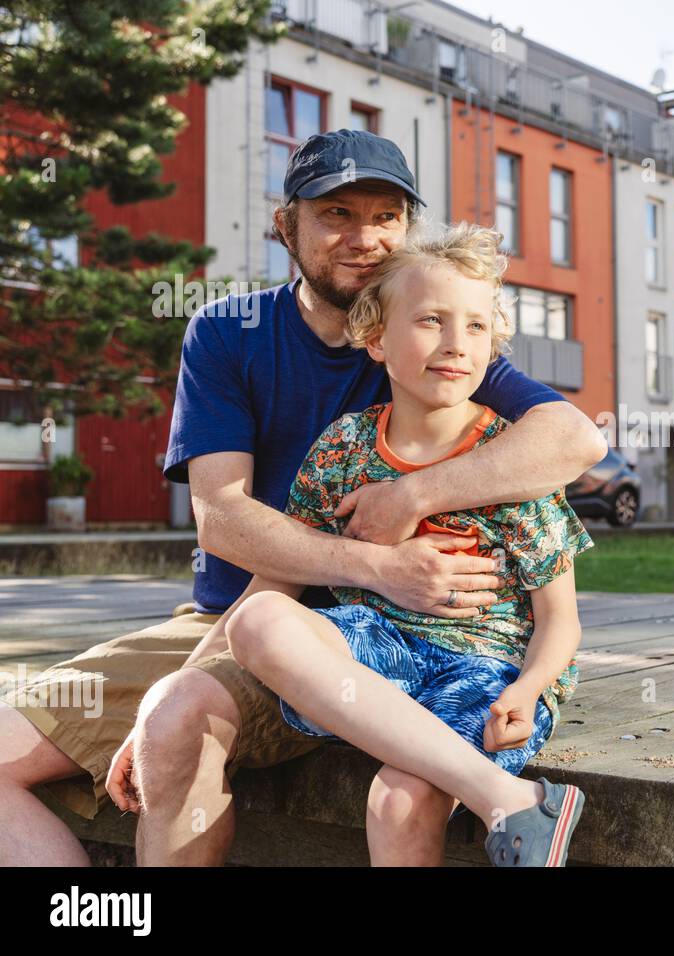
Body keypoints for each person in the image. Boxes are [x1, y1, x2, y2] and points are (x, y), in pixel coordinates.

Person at [0, 129, 606, 866]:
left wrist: (412, 493)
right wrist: (375, 563)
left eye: (387, 216)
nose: (366, 238)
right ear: (286, 226)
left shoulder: (437, 339)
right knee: (148, 718)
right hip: (243, 621)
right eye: (337, 214)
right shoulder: (231, 332)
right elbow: (224, 520)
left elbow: (576, 441)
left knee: (376, 779)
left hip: (410, 640)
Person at [206, 220, 591, 865]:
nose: (454, 344)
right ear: (375, 339)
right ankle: (511, 799)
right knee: (260, 619)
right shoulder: (343, 448)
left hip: (485, 670)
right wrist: (185, 682)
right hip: (374, 653)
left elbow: (561, 618)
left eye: (474, 326)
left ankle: (500, 791)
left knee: (399, 800)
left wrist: (528, 691)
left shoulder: (511, 460)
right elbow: (274, 580)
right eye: (431, 320)